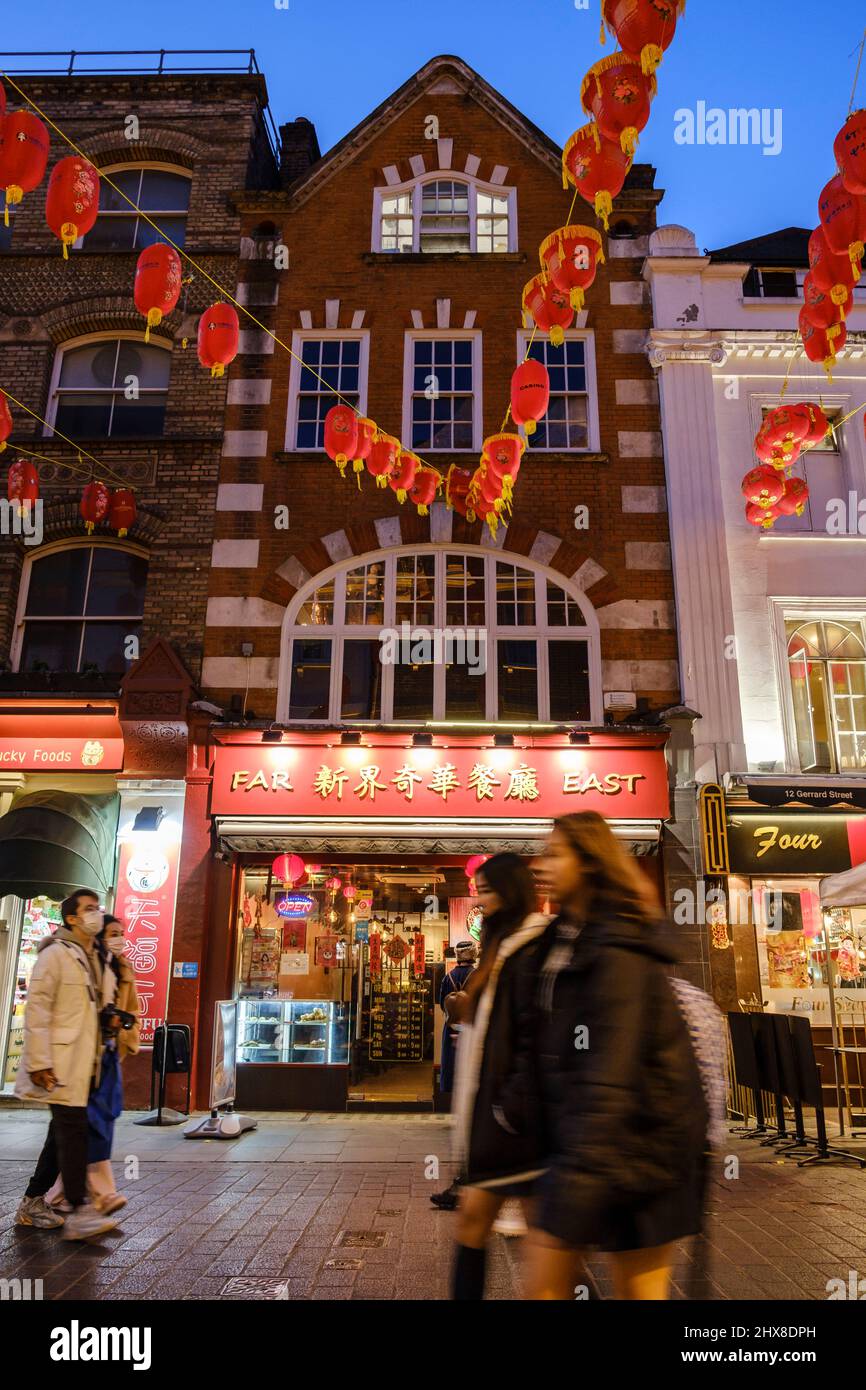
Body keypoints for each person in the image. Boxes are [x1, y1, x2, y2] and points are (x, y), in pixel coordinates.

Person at [506, 813, 707, 1301]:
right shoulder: (562, 942)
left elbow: (607, 1073)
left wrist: (572, 1184)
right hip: (592, 1149)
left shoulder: (619, 951)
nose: (541, 864)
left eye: (556, 854)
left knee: (629, 1293)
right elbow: (546, 1045)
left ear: (590, 863)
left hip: (645, 1154)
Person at [447, 852, 549, 1299]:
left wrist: (511, 1106)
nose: (479, 899)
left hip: (514, 1118)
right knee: (534, 1235)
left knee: (541, 1237)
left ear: (510, 891)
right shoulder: (501, 945)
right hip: (496, 1112)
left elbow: (533, 1029)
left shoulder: (533, 944)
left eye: (486, 890)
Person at [14, 889, 119, 1240]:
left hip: (87, 1063)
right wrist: (40, 1062)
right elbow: (38, 1009)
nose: (96, 914)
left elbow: (97, 1007)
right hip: (59, 1064)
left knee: (62, 1135)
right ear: (72, 918)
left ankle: (33, 1201)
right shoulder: (55, 955)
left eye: (98, 908)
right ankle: (80, 1210)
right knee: (73, 1134)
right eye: (89, 909)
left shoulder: (96, 955)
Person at [45, 913, 140, 1215]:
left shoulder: (121, 968)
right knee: (91, 1125)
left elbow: (132, 1009)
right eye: (113, 932)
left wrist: (123, 1029)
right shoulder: (83, 964)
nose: (119, 938)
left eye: (121, 932)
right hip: (82, 1057)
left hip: (107, 1055)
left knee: (95, 1123)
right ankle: (100, 1194)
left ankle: (59, 1195)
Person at [430, 940, 477, 1210]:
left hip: (451, 1028)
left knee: (454, 1068)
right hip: (470, 1026)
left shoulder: (448, 976)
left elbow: (440, 1005)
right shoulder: (478, 975)